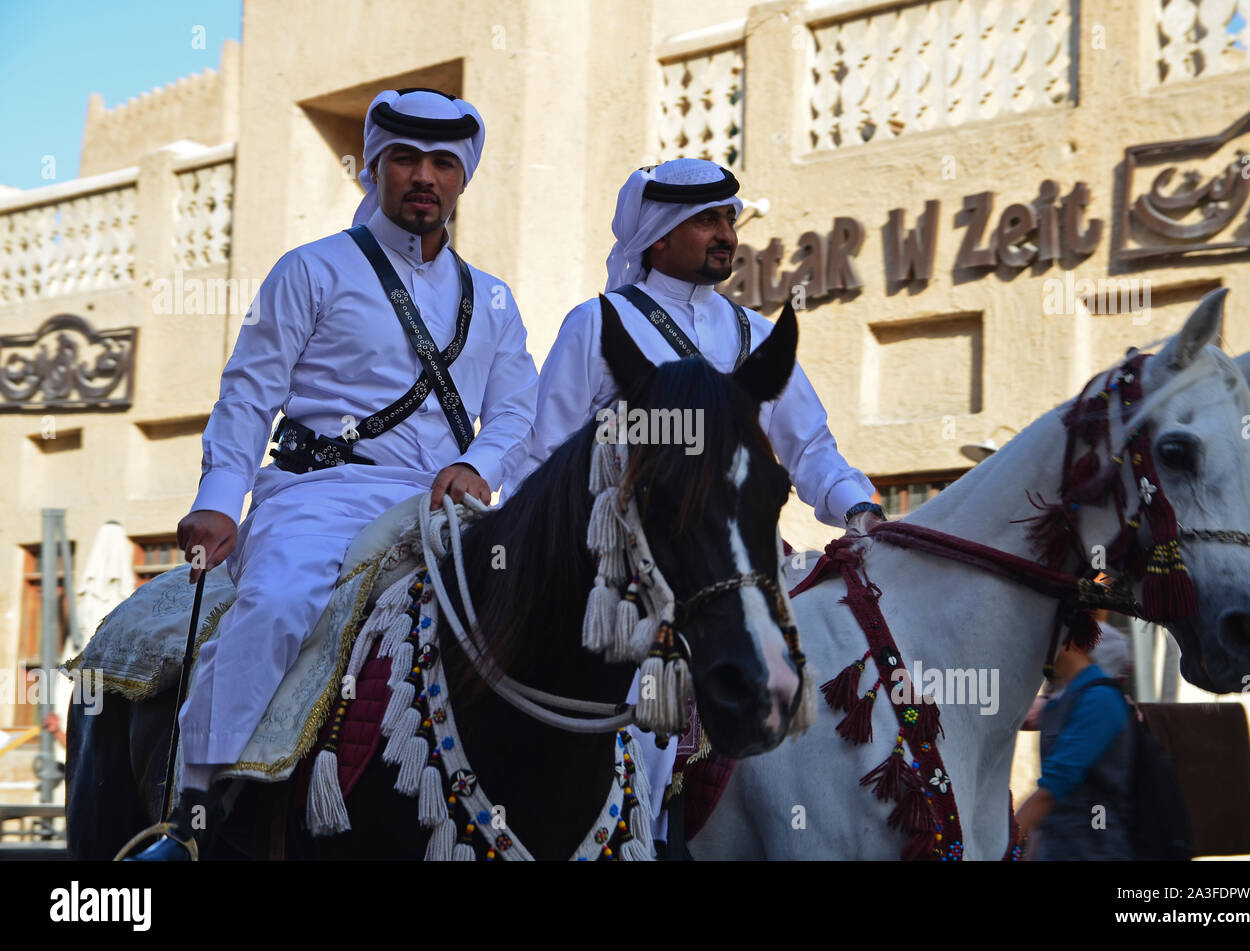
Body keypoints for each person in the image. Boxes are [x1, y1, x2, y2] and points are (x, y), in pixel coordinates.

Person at [130, 89, 540, 860]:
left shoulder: (493, 298)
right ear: (374, 167)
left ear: (463, 177)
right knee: (279, 602)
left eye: (443, 163)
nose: (424, 177)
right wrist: (217, 499)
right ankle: (195, 811)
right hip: (322, 496)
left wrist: (477, 464)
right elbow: (249, 393)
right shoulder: (310, 268)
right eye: (405, 159)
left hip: (445, 507)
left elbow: (520, 411)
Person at [500, 157, 883, 836]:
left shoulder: (754, 334)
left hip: (742, 565)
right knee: (642, 717)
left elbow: (810, 447)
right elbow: (542, 452)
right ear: (658, 235)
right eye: (706, 220)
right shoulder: (599, 323)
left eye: (729, 218)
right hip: (631, 572)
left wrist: (858, 507)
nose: (726, 234)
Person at [1016, 624, 1136, 860]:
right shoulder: (1064, 698)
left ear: (1065, 643)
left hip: (1094, 848)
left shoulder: (1099, 699)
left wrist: (1009, 840)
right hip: (1061, 845)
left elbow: (1054, 787)